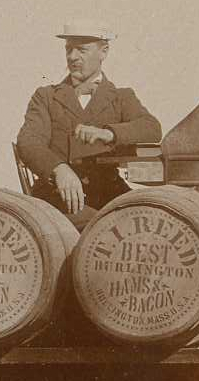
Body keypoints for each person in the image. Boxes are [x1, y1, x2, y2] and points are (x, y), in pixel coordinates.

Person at [15, 22, 162, 227]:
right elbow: (28, 142)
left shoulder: (121, 97)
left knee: (152, 223)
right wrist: (59, 169)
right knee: (118, 227)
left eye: (82, 50)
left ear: (104, 52)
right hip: (58, 201)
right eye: (69, 49)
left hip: (107, 195)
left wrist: (109, 133)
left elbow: (152, 128)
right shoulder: (46, 97)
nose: (72, 57)